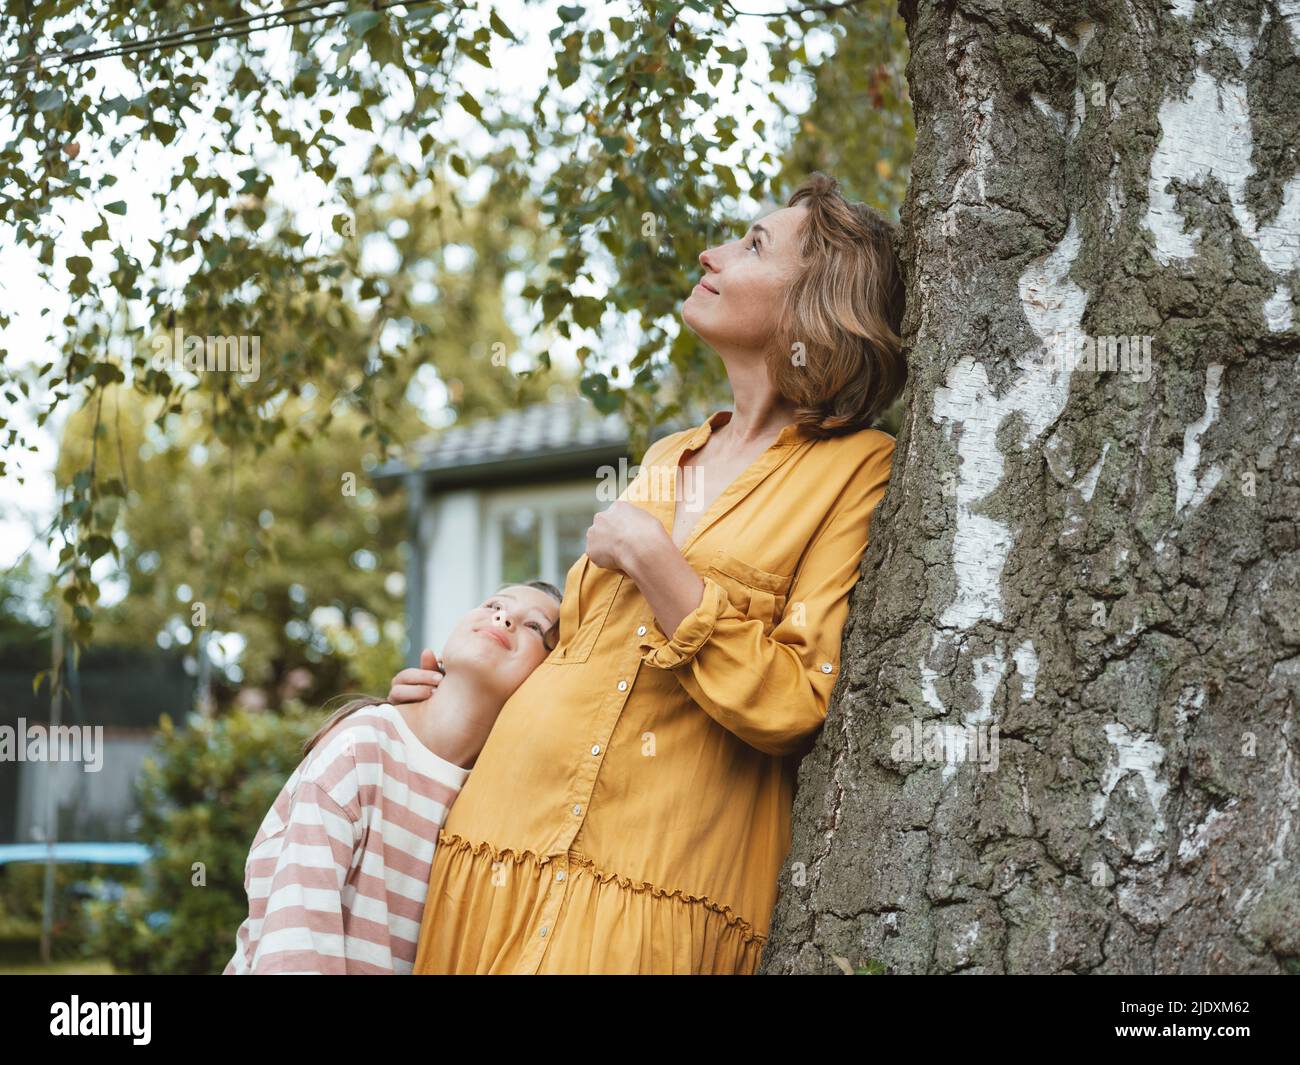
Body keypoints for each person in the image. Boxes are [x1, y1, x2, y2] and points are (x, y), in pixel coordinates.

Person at [388, 171, 906, 974]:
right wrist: (462, 694)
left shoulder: (857, 470)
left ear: (819, 298)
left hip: (654, 886)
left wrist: (661, 565)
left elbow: (799, 700)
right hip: (494, 847)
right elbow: (580, 652)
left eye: (754, 243)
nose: (714, 251)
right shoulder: (671, 454)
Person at [223, 581, 562, 974]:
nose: (504, 617)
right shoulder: (361, 746)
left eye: (536, 627)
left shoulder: (500, 802)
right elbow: (296, 945)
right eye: (493, 604)